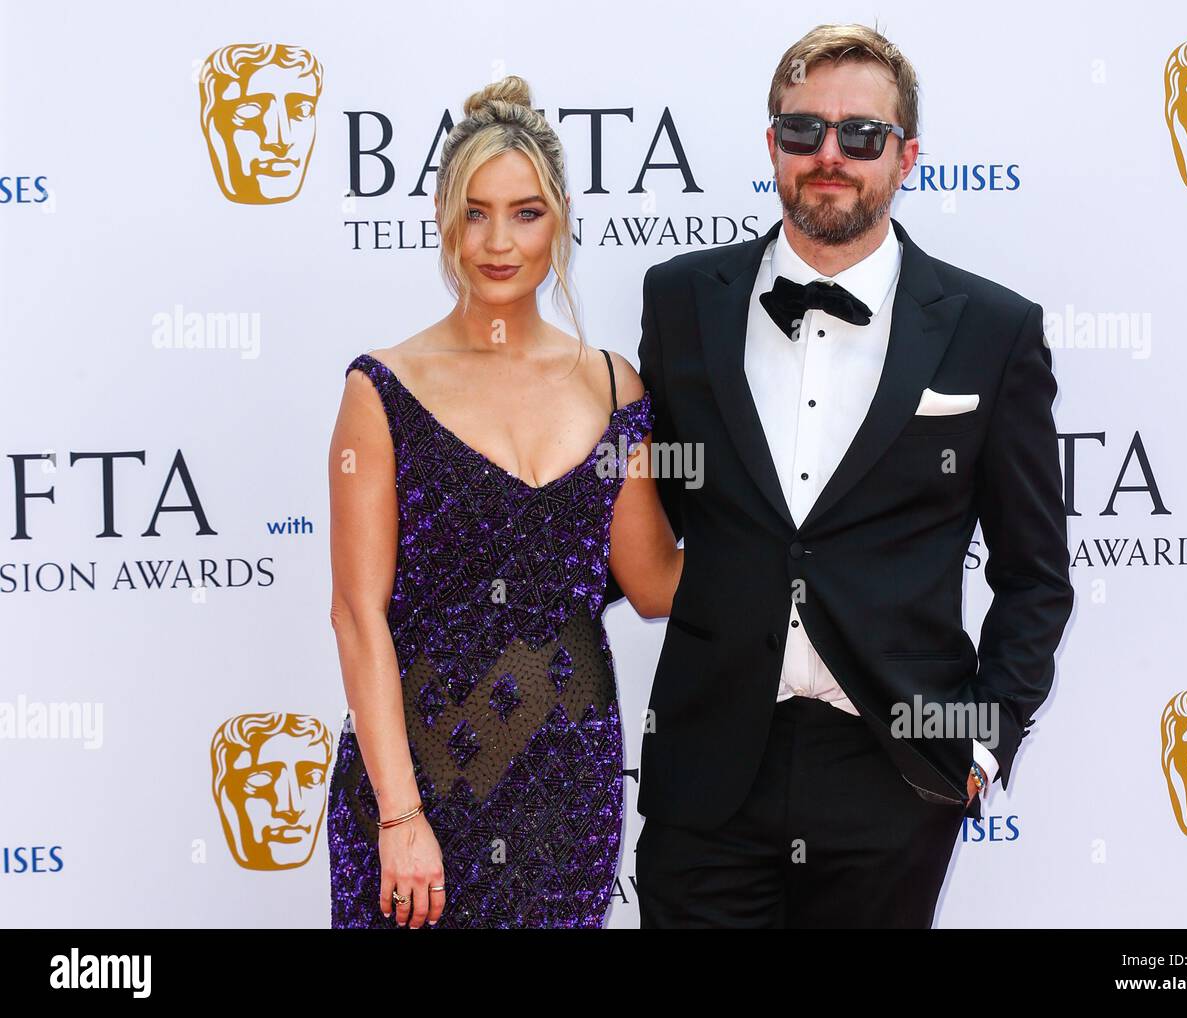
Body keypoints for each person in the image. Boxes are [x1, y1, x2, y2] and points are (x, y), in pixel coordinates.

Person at [634, 23, 1074, 927]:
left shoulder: (990, 329)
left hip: (895, 767)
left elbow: (1034, 575)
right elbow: (658, 510)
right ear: (772, 145)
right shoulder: (681, 300)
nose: (829, 155)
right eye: (804, 131)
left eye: (861, 135)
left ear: (906, 155)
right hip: (708, 769)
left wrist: (981, 740)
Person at [325, 75, 681, 928]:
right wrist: (401, 818)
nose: (498, 241)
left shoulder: (612, 386)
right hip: (417, 788)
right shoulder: (382, 389)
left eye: (525, 213)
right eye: (476, 211)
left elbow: (655, 581)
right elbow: (355, 615)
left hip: (566, 797)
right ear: (446, 216)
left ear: (559, 220)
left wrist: (804, 533)